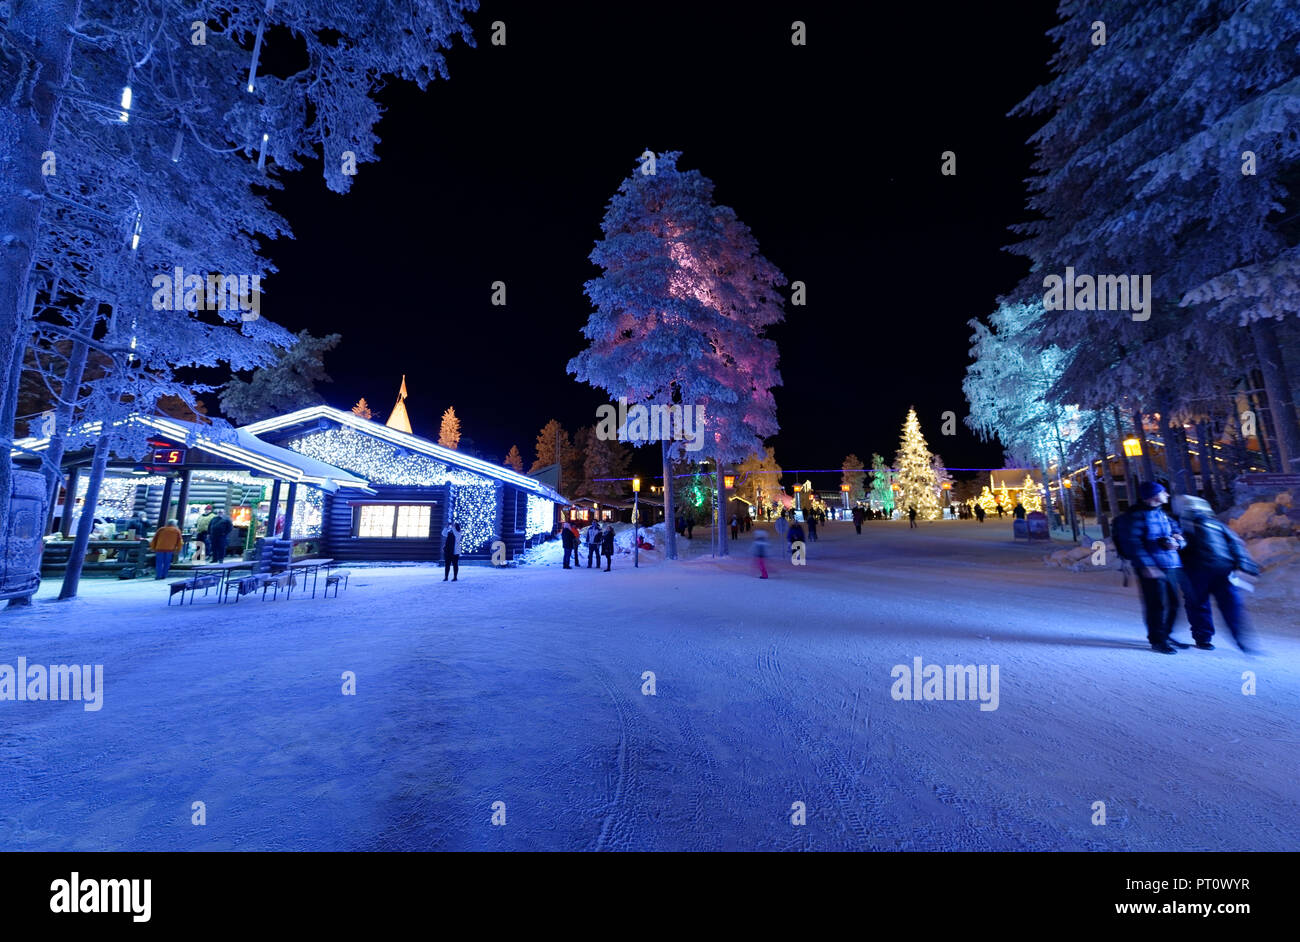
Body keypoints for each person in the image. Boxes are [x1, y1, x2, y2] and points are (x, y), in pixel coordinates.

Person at [1174, 495, 1260, 652]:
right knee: (1228, 605)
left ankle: (1204, 638)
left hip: (1198, 572)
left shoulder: (1182, 525)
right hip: (1220, 570)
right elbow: (1235, 545)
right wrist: (1245, 565)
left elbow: (1234, 544)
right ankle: (1238, 639)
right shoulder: (1216, 525)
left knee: (1199, 605)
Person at [1116, 481, 1193, 654]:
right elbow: (1133, 543)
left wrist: (1178, 543)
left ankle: (1166, 634)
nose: (1167, 495)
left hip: (1171, 565)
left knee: (1174, 603)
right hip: (1151, 568)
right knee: (1156, 604)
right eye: (1163, 492)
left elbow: (1180, 534)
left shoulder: (1163, 514)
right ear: (1152, 496)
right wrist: (1147, 565)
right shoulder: (1134, 517)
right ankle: (1157, 640)